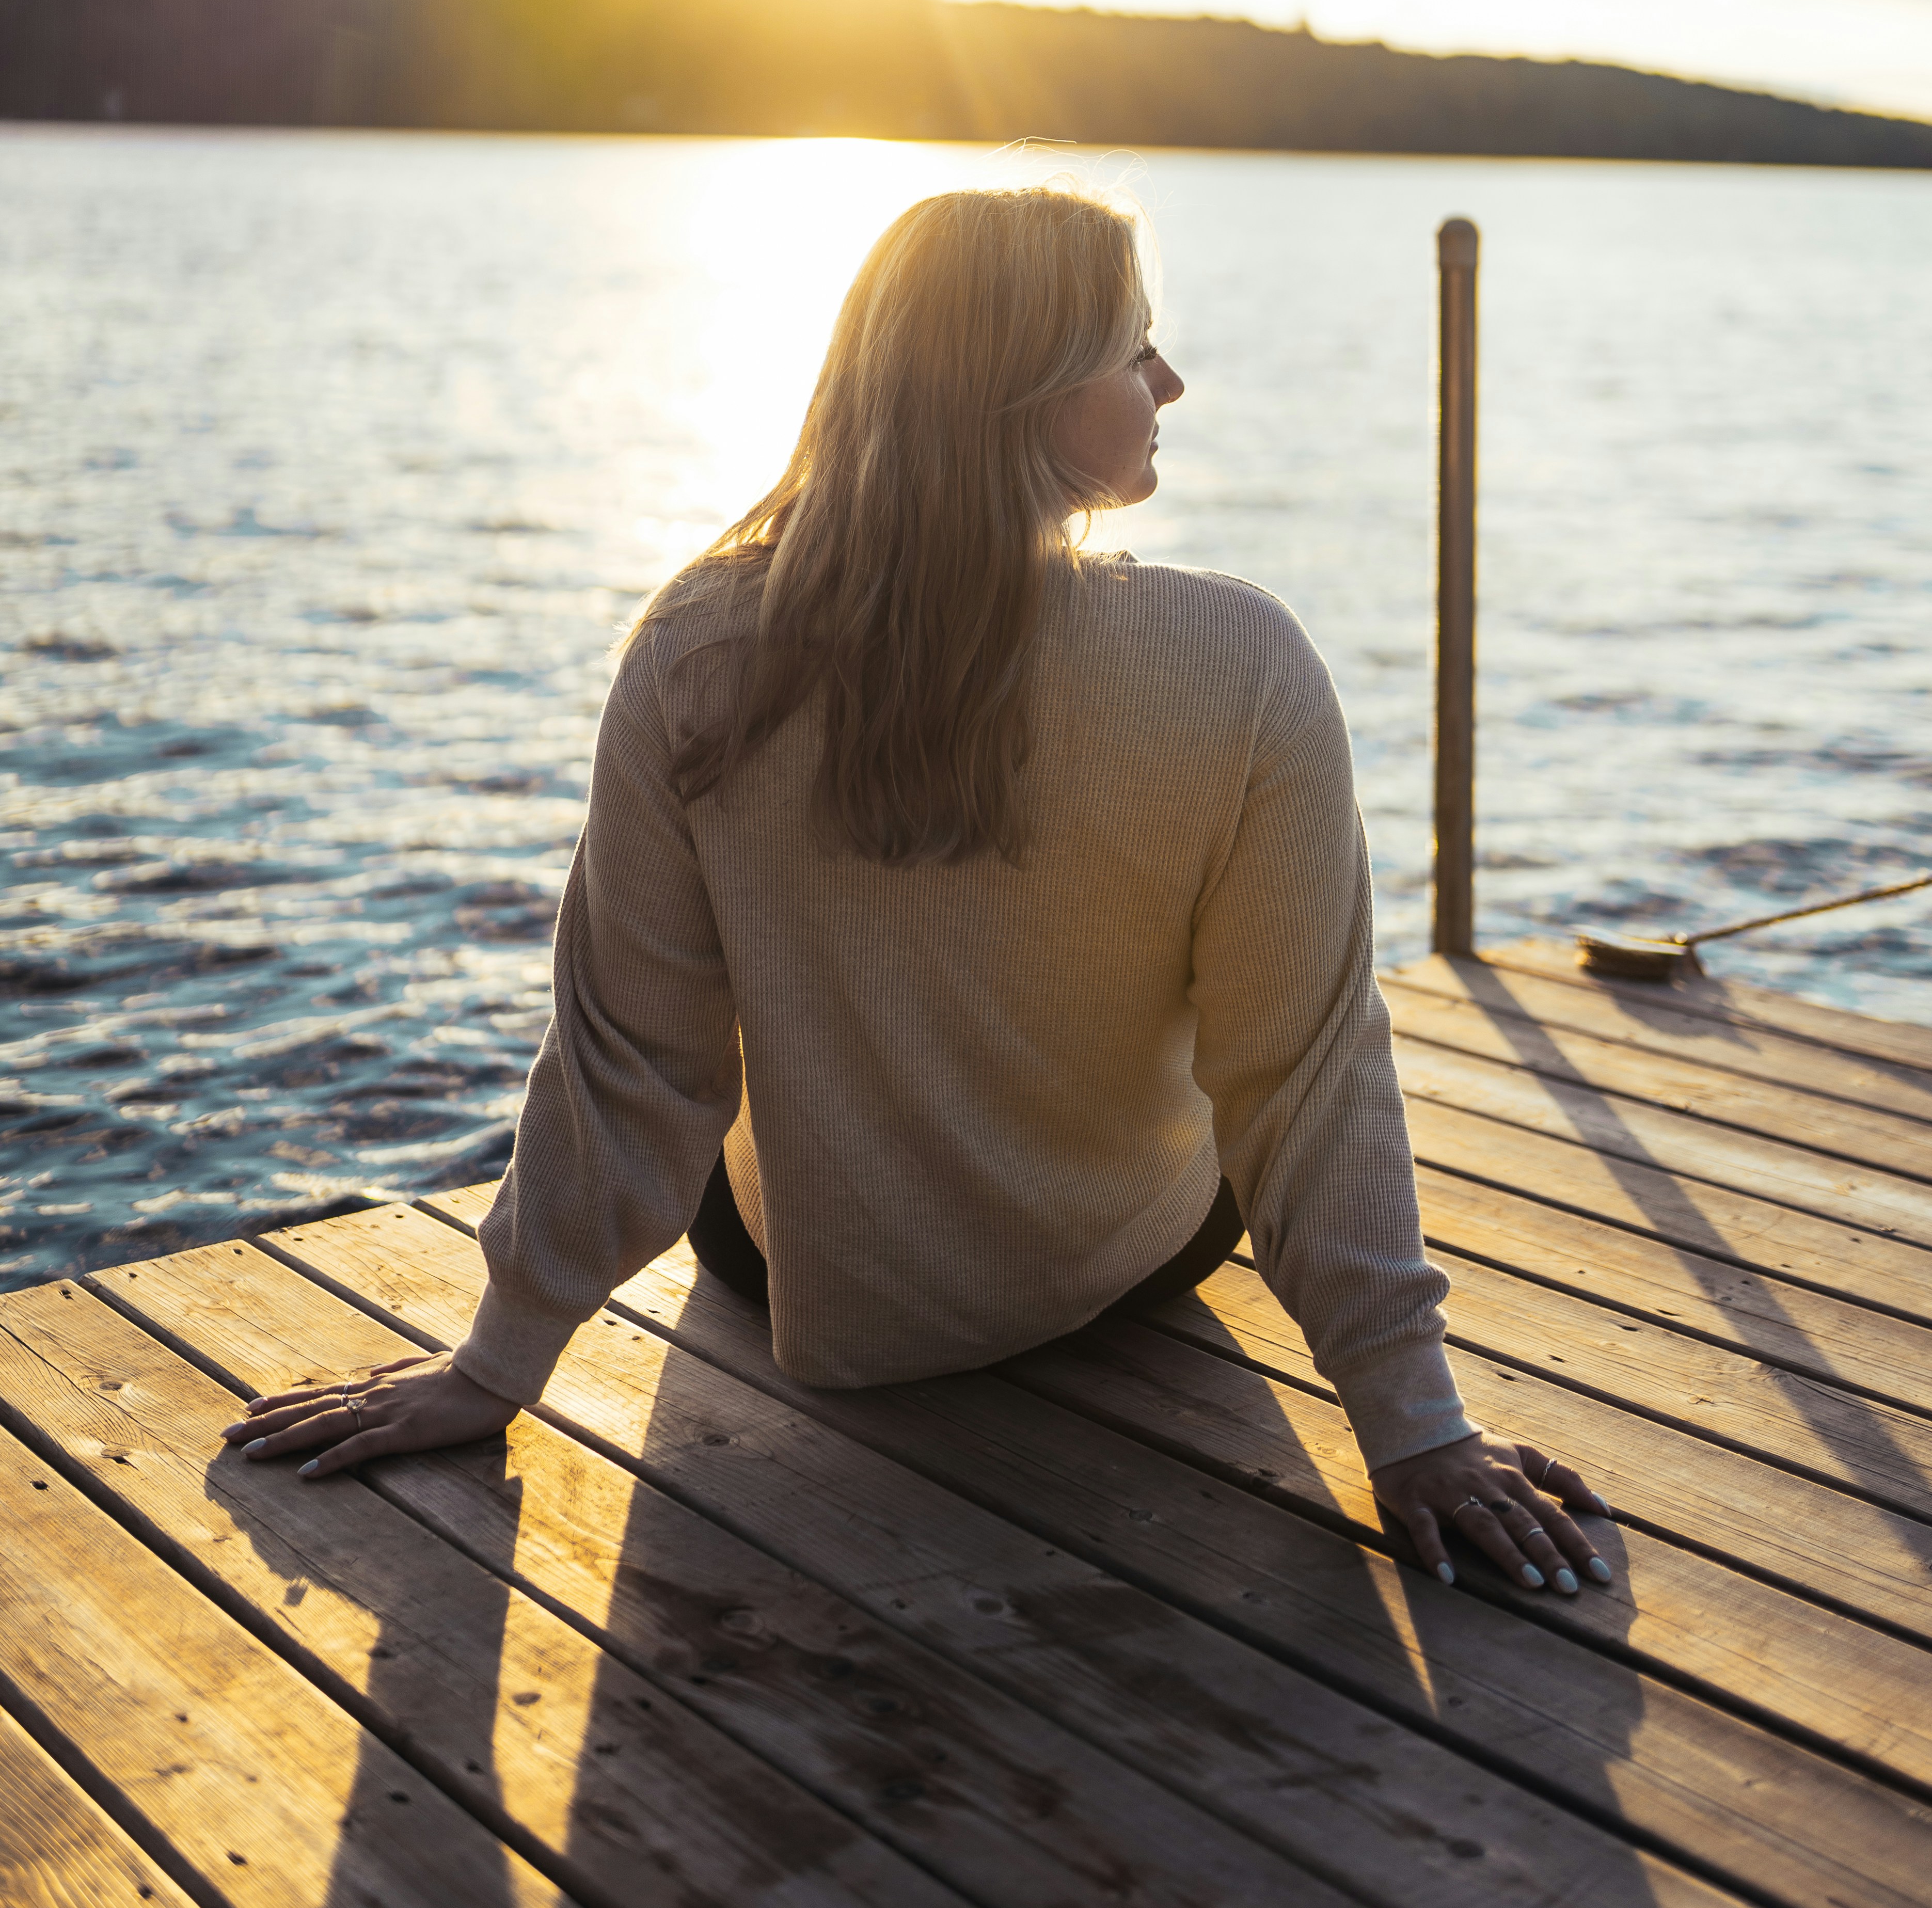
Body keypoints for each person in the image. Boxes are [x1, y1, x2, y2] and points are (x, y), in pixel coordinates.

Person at [226, 182, 1611, 1597]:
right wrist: (1414, 1423)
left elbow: (631, 1062)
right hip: (1126, 1262)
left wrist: (497, 1358)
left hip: (806, 1290)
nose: (1169, 381)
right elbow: (1303, 1072)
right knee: (1236, 1046)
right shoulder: (1241, 660)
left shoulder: (699, 649)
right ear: (1024, 393)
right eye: (1135, 347)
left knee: (714, 1072)